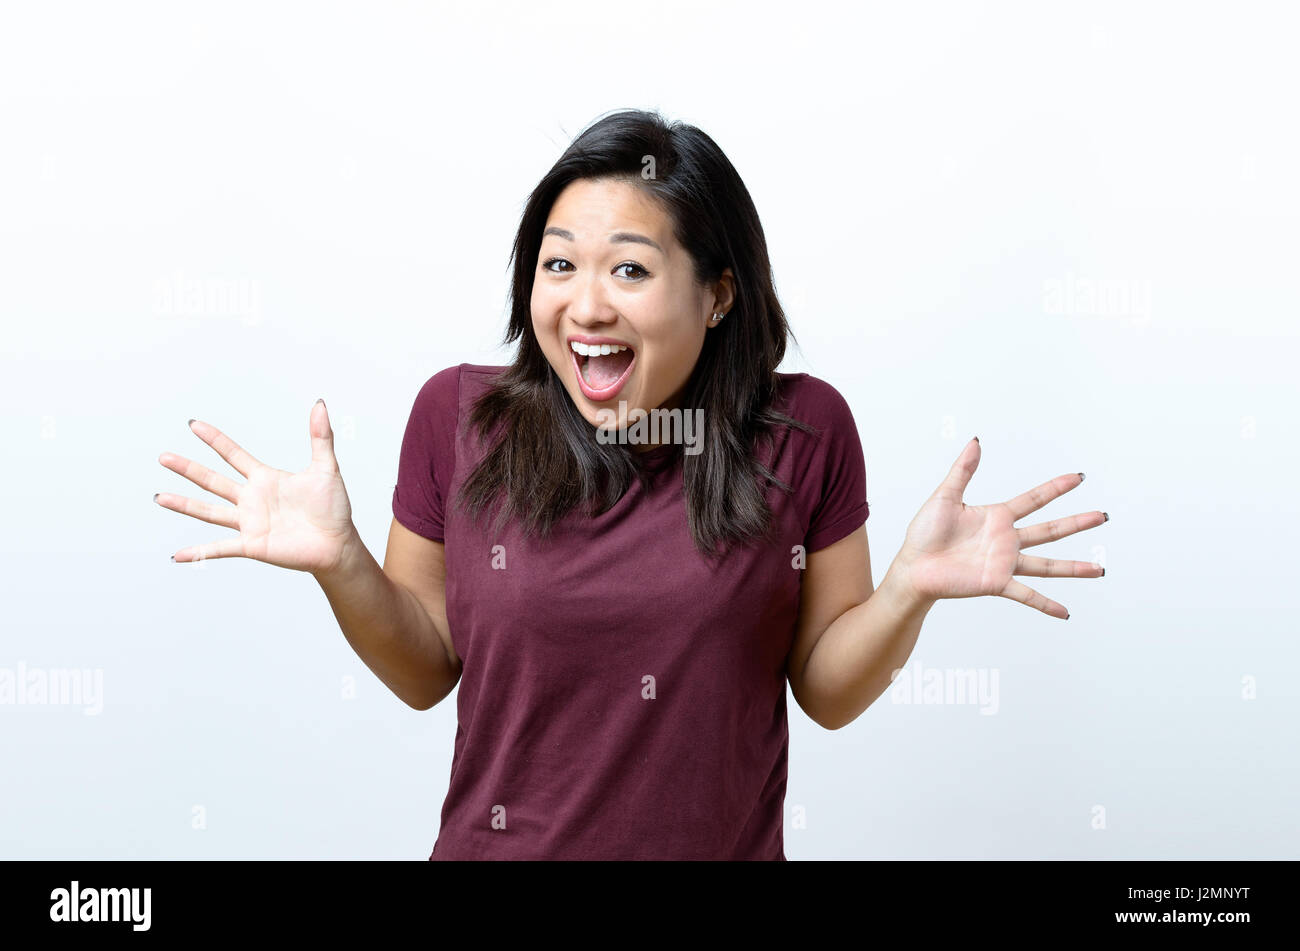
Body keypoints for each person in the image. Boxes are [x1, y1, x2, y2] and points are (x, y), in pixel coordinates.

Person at [155, 109, 1107, 860]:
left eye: (630, 269)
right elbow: (425, 669)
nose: (587, 304)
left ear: (718, 292)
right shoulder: (459, 416)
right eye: (559, 263)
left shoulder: (804, 431)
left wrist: (907, 593)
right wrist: (341, 564)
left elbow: (823, 688)